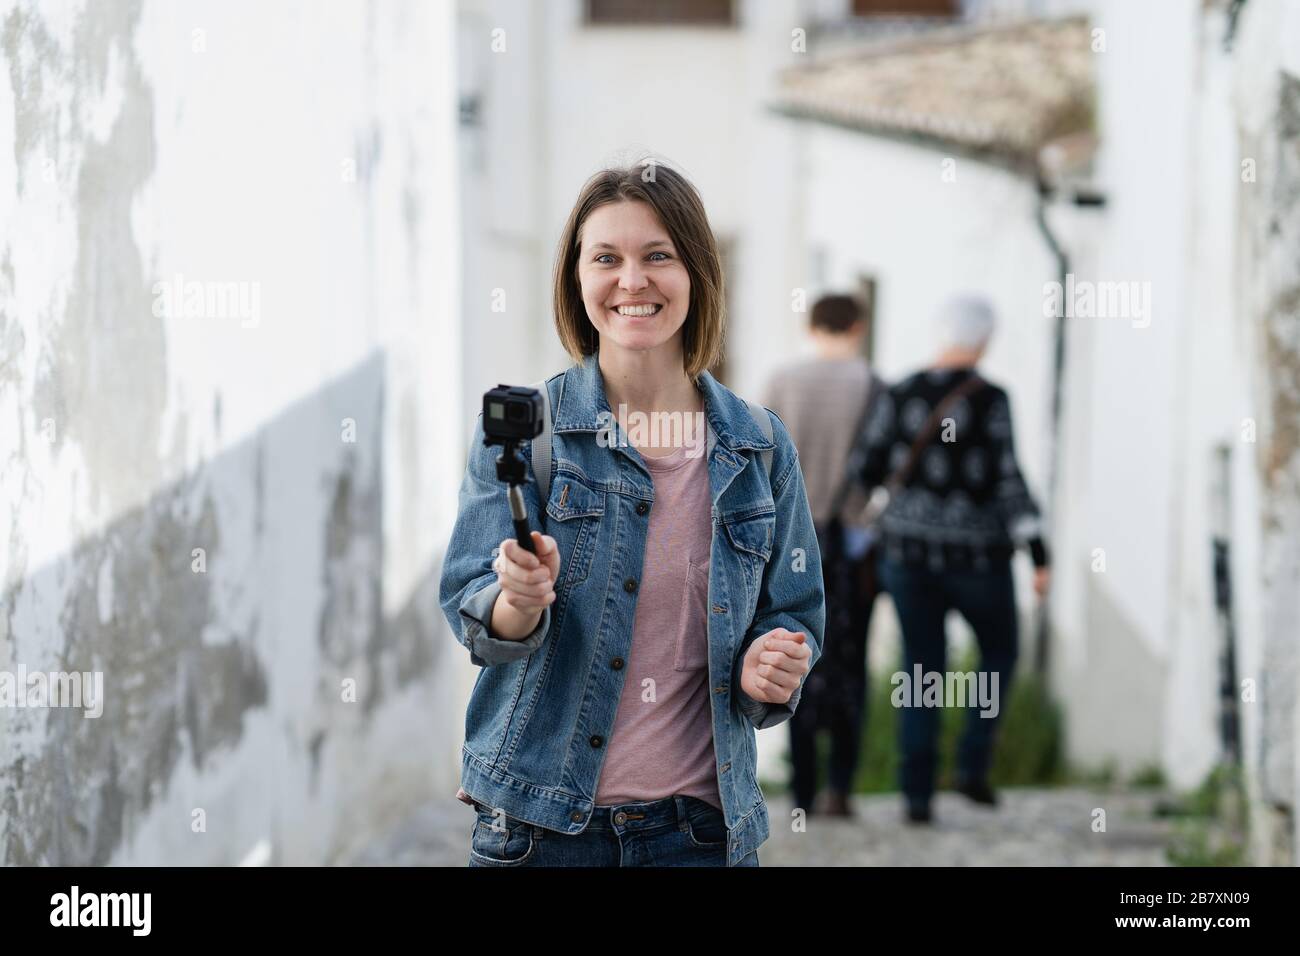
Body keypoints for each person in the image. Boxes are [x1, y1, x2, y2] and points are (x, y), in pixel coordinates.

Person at [438, 160, 825, 866]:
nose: (632, 281)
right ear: (576, 278)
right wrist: (518, 602)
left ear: (696, 273)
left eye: (658, 256)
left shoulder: (761, 447)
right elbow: (472, 605)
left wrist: (771, 662)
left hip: (701, 835)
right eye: (606, 258)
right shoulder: (529, 433)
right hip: (539, 833)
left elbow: (794, 612)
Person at [854, 294, 1050, 824]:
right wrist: (1038, 553)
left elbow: (865, 467)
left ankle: (916, 794)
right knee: (999, 652)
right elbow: (1009, 479)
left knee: (921, 666)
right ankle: (972, 763)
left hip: (907, 555)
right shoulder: (991, 400)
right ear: (985, 339)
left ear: (940, 334)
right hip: (978, 561)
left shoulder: (899, 392)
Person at [761, 294, 884, 818]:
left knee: (794, 649)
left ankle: (803, 789)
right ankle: (841, 787)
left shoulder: (781, 381)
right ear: (857, 327)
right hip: (851, 542)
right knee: (851, 660)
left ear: (811, 325)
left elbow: (757, 459)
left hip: (790, 537)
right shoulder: (874, 385)